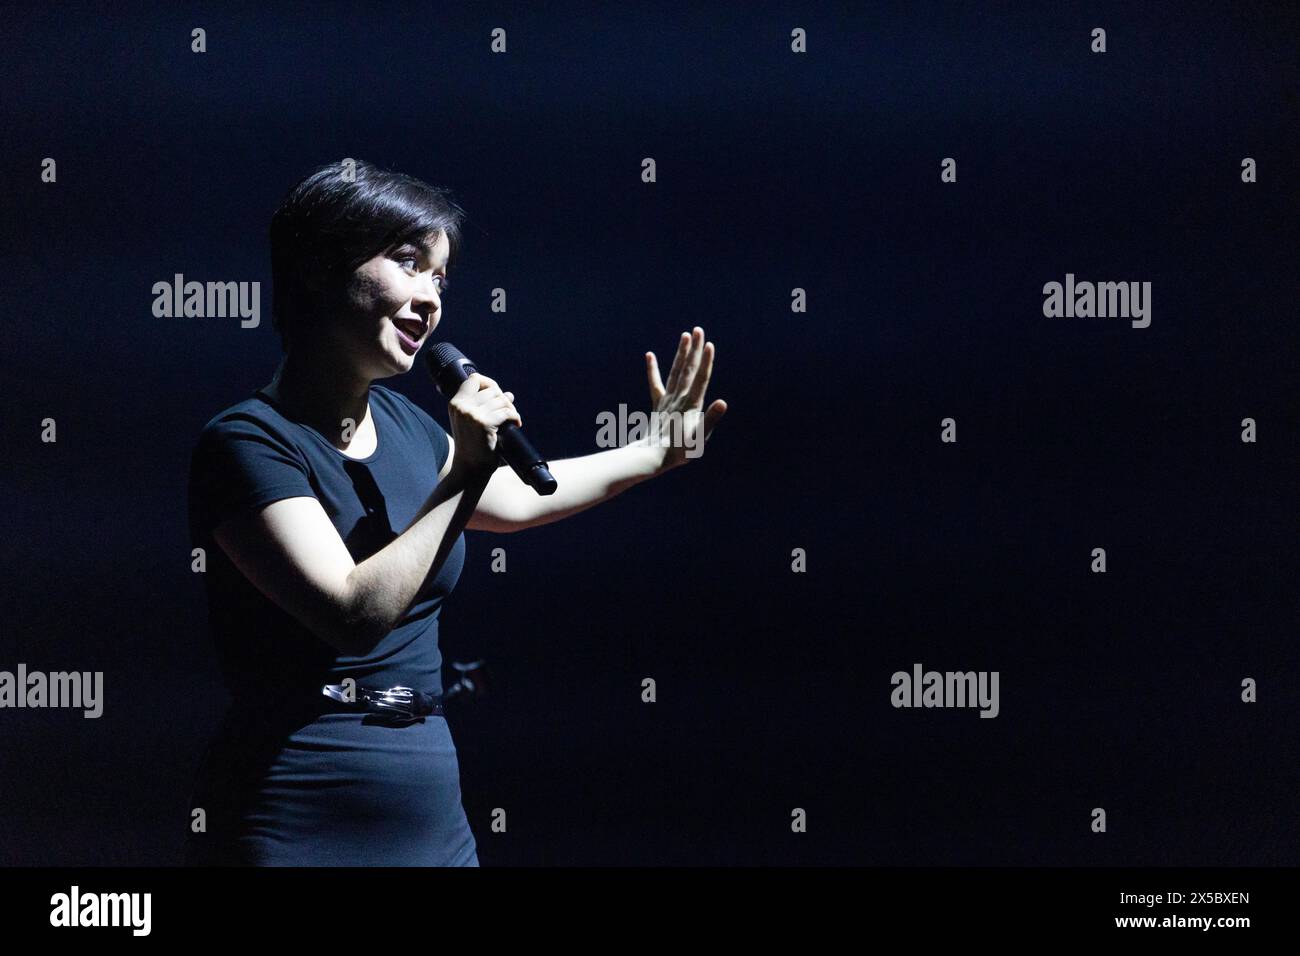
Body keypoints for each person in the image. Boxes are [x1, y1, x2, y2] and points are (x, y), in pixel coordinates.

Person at [184, 159, 727, 865]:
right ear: (319, 267)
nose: (431, 298)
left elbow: (514, 501)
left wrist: (655, 452)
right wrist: (467, 468)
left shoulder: (408, 426)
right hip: (300, 814)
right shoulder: (247, 442)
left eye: (441, 278)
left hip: (429, 815)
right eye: (408, 263)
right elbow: (352, 613)